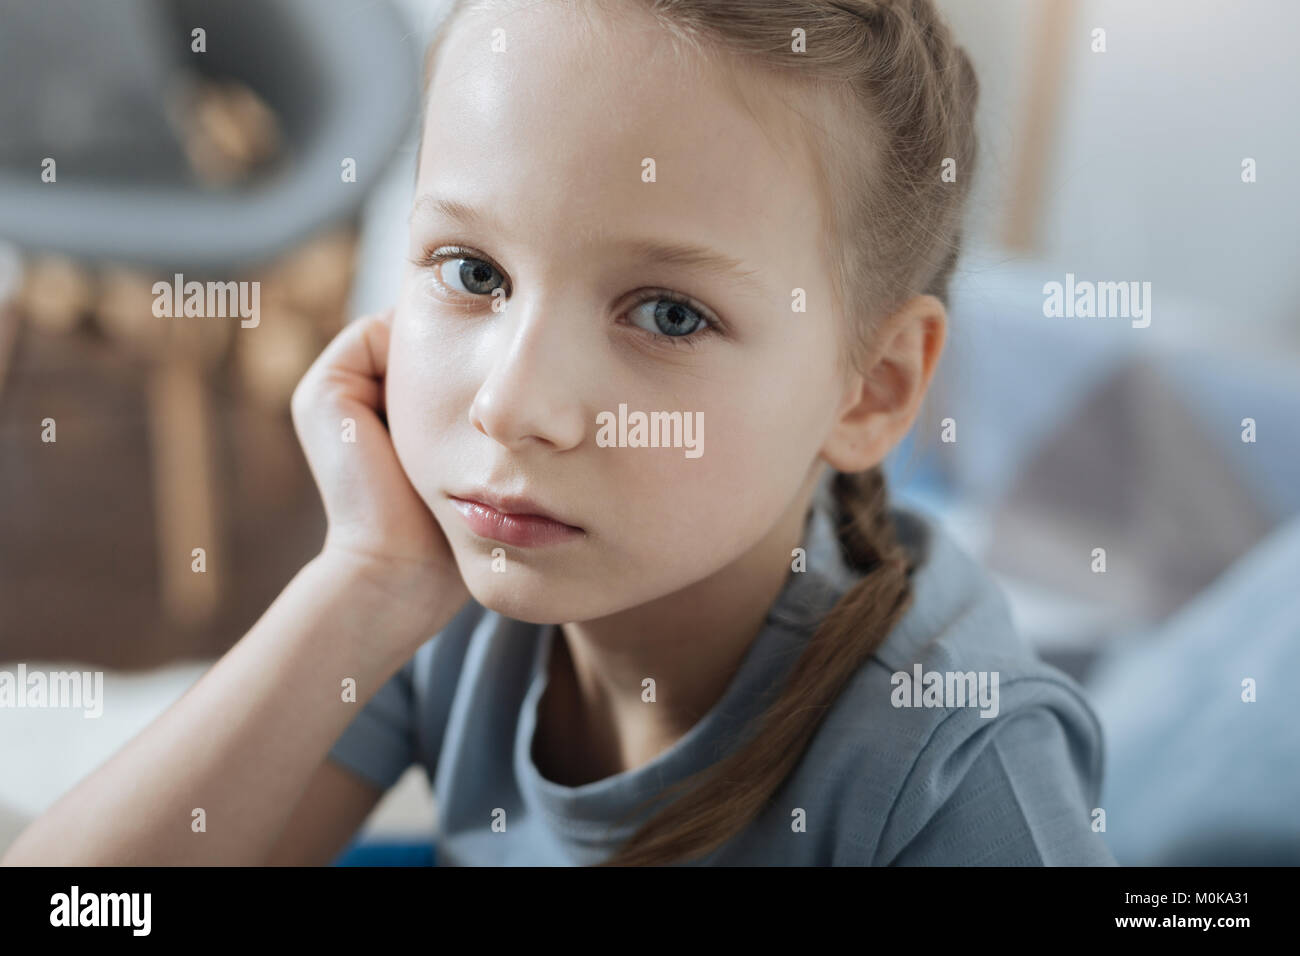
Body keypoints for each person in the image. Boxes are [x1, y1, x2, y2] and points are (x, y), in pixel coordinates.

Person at [2, 0, 1117, 867]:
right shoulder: (442, 602)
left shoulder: (955, 770)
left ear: (869, 388)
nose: (511, 404)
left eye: (670, 313)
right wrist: (360, 588)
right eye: (473, 271)